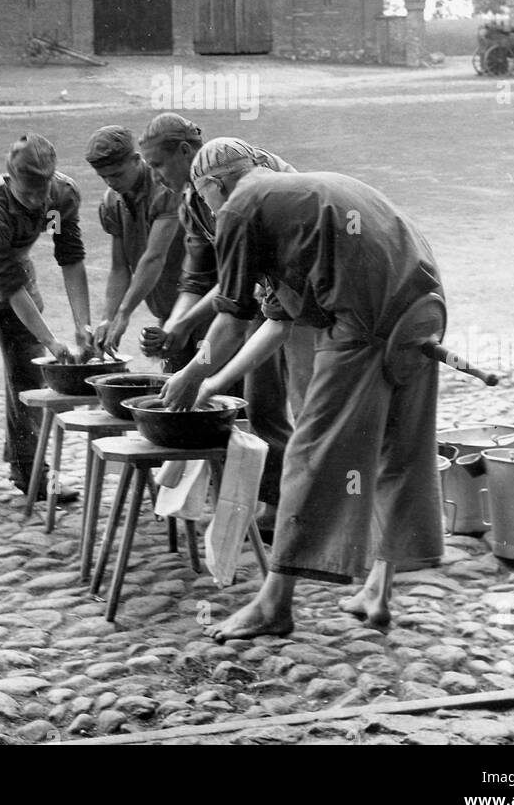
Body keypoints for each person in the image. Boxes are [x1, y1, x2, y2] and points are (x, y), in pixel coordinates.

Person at [162, 139, 445, 639]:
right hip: (424, 309)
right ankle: (377, 592)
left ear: (212, 184)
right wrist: (215, 385)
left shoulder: (238, 206)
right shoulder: (298, 197)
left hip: (366, 323)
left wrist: (190, 374)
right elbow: (277, 323)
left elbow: (231, 322)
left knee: (310, 454)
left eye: (202, 196)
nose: (207, 209)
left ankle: (274, 604)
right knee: (398, 450)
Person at [138, 114, 311, 531]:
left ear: (184, 151)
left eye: (159, 166)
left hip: (296, 297)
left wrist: (196, 360)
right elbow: (204, 279)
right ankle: (270, 501)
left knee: (289, 404)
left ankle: (299, 508)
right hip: (257, 302)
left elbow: (238, 290)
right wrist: (177, 325)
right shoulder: (192, 204)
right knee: (253, 401)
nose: (157, 178)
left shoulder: (243, 176)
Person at [0, 132, 92, 518]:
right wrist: (51, 339)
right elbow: (5, 284)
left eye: (42, 192)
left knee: (31, 377)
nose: (37, 202)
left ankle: (31, 472)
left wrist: (82, 326)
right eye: (28, 195)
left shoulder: (61, 197)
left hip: (18, 270)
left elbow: (70, 256)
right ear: (10, 181)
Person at [84, 125, 187, 358]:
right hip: (168, 311)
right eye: (104, 177)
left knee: (214, 382)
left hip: (200, 305)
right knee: (177, 383)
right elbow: (120, 268)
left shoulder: (166, 188)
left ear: (136, 159)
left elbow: (154, 257)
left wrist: (124, 313)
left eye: (117, 174)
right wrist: (108, 318)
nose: (111, 182)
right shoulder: (113, 201)